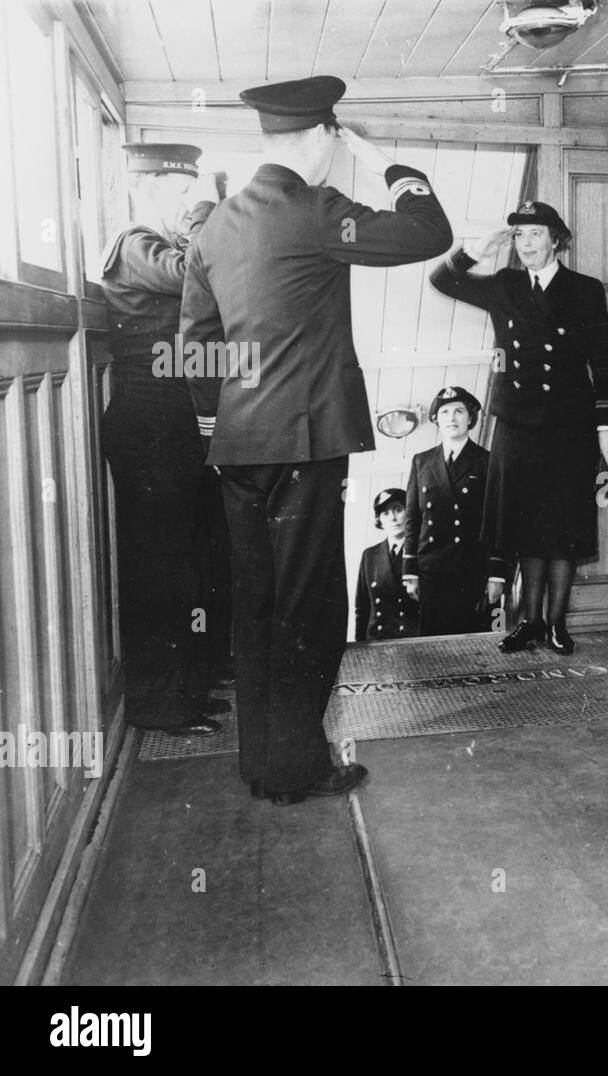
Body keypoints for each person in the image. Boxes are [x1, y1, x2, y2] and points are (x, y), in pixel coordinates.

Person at [180, 75, 454, 805]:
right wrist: (390, 165)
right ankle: (296, 768)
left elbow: (196, 345)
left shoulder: (216, 224)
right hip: (304, 446)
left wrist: (222, 423)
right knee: (309, 608)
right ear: (322, 139)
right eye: (336, 141)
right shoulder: (318, 210)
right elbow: (430, 233)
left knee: (256, 604)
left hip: (238, 448)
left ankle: (260, 762)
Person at [430, 202, 608, 655]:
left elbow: (603, 362)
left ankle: (556, 624)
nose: (527, 244)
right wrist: (476, 250)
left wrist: (605, 426)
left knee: (561, 528)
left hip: (567, 427)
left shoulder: (584, 290)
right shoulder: (505, 285)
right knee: (522, 527)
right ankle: (529, 622)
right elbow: (443, 280)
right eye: (519, 236)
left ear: (557, 239)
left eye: (536, 234)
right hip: (516, 424)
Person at [100, 142, 229, 736]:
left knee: (185, 559)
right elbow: (195, 276)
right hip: (149, 422)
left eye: (188, 191)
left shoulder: (155, 242)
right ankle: (160, 705)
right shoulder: (134, 245)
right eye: (178, 191)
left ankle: (186, 690)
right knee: (158, 566)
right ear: (145, 186)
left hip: (169, 418)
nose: (184, 201)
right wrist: (207, 214)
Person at [400, 387, 508, 636]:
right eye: (445, 412)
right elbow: (413, 521)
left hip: (471, 569)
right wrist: (410, 571)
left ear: (470, 418)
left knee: (471, 647)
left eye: (459, 411)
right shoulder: (422, 461)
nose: (452, 418)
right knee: (431, 647)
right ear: (436, 419)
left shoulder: (488, 461)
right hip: (431, 570)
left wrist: (497, 575)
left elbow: (497, 521)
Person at [356, 489, 419, 641]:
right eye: (385, 513)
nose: (393, 518)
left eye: (398, 510)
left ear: (409, 513)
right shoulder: (369, 555)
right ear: (379, 520)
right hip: (376, 639)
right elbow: (362, 608)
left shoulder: (420, 553)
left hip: (412, 640)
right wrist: (359, 646)